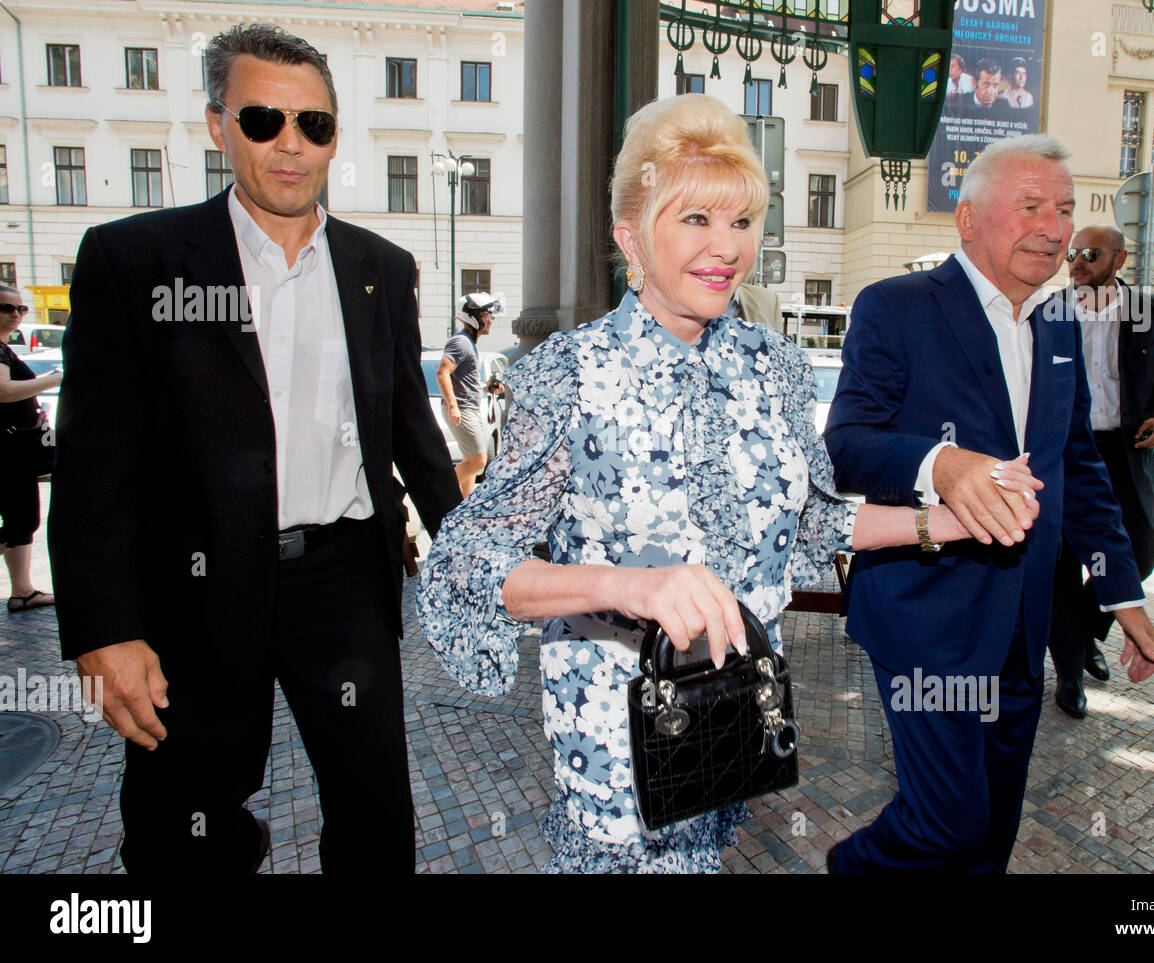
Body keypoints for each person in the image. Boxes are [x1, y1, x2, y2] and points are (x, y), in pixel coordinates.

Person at [416, 94, 1039, 874]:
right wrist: (631, 587)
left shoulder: (771, 366)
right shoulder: (569, 373)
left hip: (729, 718)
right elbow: (469, 561)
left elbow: (812, 527)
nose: (725, 248)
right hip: (617, 745)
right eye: (695, 220)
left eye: (742, 222)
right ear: (630, 239)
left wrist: (948, 519)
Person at [49, 23, 461, 874]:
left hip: (345, 578)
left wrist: (483, 560)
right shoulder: (137, 260)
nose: (289, 145)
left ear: (334, 138)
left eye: (313, 125)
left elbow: (416, 438)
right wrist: (103, 630)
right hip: (195, 586)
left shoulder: (379, 266)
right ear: (217, 124)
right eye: (263, 119)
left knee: (377, 821)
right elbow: (95, 467)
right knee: (183, 829)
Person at [824, 135, 1154, 874]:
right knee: (947, 822)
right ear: (968, 219)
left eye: (1066, 209)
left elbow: (1076, 465)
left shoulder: (1060, 323)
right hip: (927, 618)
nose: (1054, 226)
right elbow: (846, 444)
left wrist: (1122, 591)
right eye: (1032, 205)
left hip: (1023, 626)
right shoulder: (897, 307)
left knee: (993, 831)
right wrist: (939, 464)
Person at [1046, 226, 1154, 718]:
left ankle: (1087, 629)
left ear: (1120, 259)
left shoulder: (1153, 314)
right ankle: (1069, 675)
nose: (1077, 261)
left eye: (1090, 254)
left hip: (1126, 450)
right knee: (1062, 566)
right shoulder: (1049, 311)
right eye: (1072, 253)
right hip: (1065, 453)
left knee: (1142, 548)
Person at [0, 286, 59, 612]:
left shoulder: (5, 348)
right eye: (6, 307)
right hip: (8, 449)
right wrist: (54, 379)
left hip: (15, 446)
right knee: (20, 518)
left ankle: (22, 590)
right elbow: (4, 391)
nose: (15, 314)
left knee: (21, 517)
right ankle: (22, 591)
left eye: (20, 309)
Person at [436, 291, 505, 497]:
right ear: (472, 317)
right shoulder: (461, 342)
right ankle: (440, 494)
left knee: (469, 460)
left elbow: (464, 381)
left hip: (468, 407)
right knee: (478, 461)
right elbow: (442, 373)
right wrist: (453, 405)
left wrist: (487, 388)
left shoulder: (469, 343)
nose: (490, 321)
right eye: (486, 316)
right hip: (462, 409)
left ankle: (464, 503)